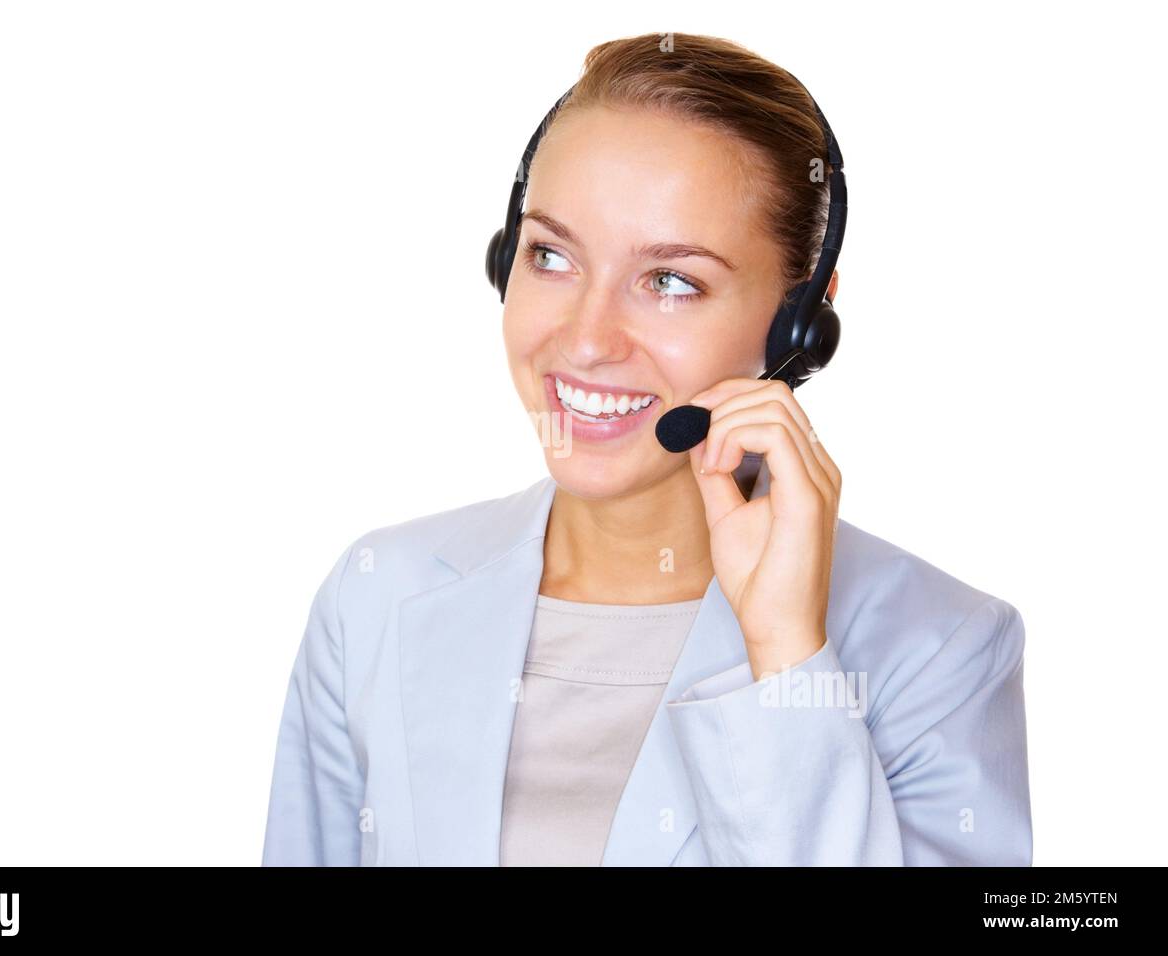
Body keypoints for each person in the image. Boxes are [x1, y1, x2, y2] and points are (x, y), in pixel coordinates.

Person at [261, 32, 1032, 866]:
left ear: (799, 323)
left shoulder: (941, 649)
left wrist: (785, 656)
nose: (586, 342)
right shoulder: (376, 596)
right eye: (550, 255)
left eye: (671, 281)